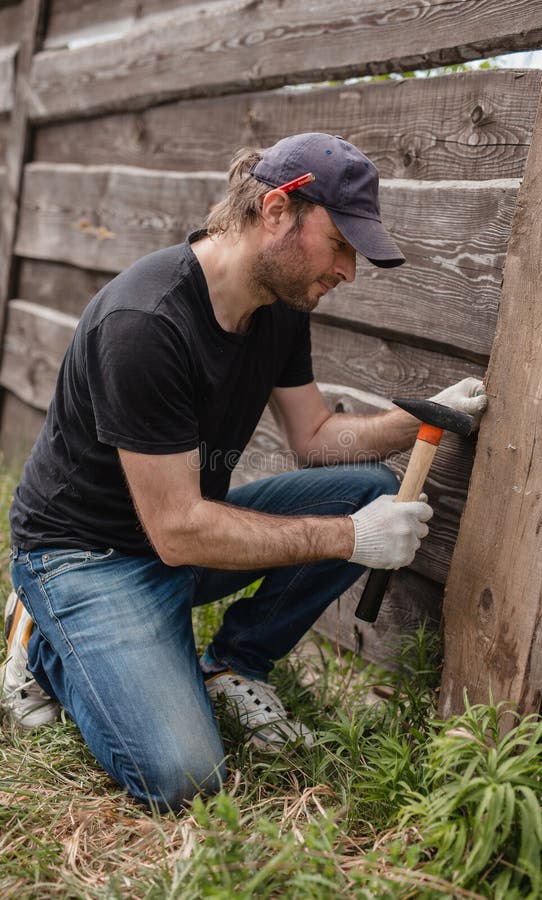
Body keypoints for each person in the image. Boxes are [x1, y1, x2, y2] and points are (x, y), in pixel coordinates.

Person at [1, 133, 486, 811]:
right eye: (341, 244)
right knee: (185, 776)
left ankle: (235, 663)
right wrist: (350, 539)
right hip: (89, 558)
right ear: (279, 210)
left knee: (368, 489)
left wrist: (419, 417)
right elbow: (179, 532)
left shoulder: (279, 310)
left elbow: (315, 438)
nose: (349, 270)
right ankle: (50, 643)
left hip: (180, 539)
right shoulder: (146, 325)